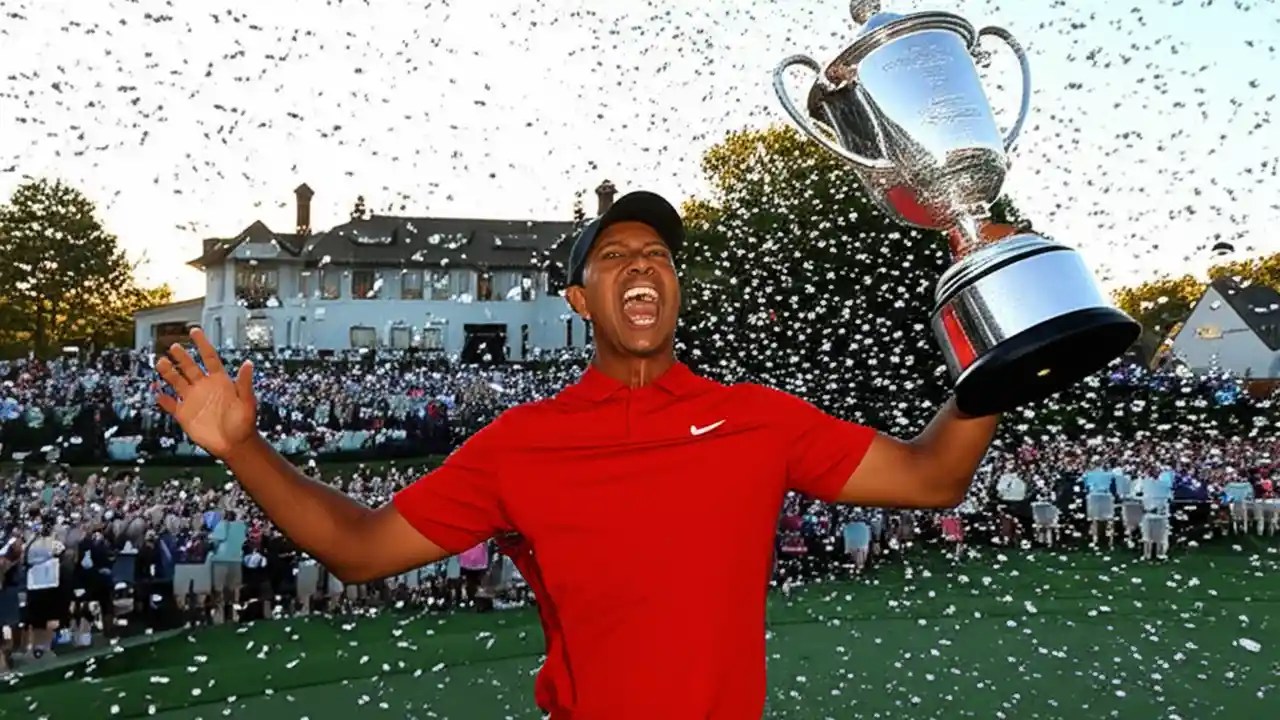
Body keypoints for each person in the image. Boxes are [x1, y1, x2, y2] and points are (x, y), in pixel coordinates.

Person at [153, 190, 1000, 720]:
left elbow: (935, 475)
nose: (643, 267)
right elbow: (361, 549)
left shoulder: (757, 419)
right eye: (616, 256)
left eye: (659, 256)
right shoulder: (520, 446)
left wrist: (999, 344)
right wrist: (243, 446)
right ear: (577, 298)